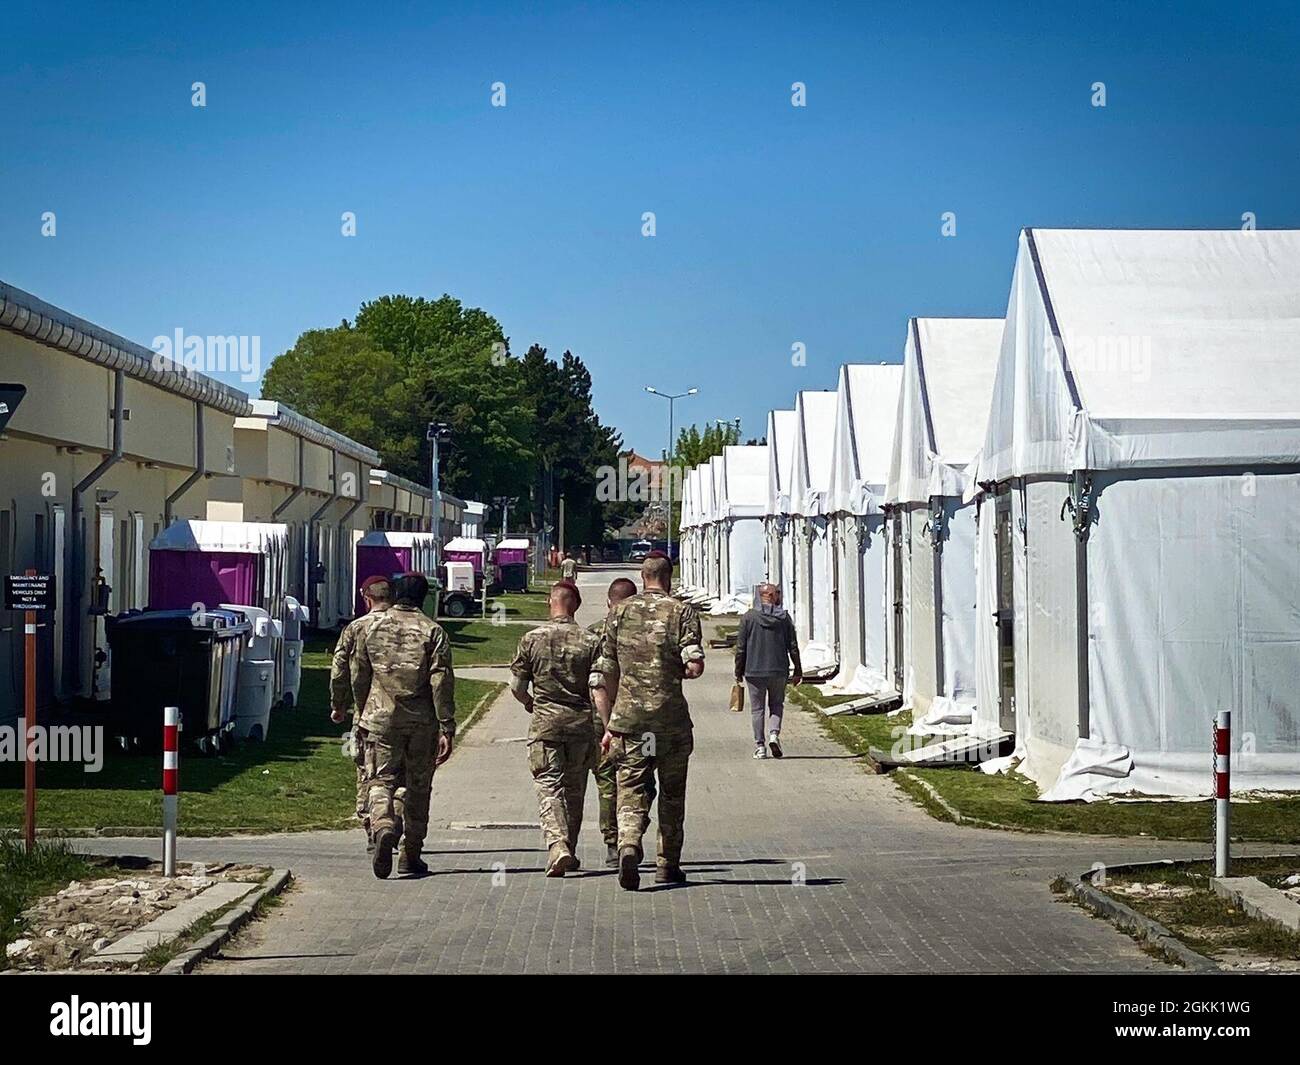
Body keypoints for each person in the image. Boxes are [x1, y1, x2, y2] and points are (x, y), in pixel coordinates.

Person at [591, 554, 704, 891]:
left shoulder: (619, 612)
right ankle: (667, 864)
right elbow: (694, 665)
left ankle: (628, 844)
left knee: (631, 789)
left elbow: (604, 672)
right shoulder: (682, 612)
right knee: (672, 795)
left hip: (629, 722)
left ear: (643, 576)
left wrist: (608, 722)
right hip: (669, 722)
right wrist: (680, 668)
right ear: (668, 577)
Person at [352, 572, 456, 879]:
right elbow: (441, 681)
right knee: (417, 787)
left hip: (380, 719)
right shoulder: (432, 631)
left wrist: (362, 710)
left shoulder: (372, 629)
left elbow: (359, 674)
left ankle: (382, 825)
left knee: (380, 780)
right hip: (421, 722)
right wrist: (446, 724)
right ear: (424, 598)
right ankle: (411, 853)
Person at [509, 579, 598, 877]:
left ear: (550, 602)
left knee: (549, 786)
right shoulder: (590, 641)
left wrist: (529, 702)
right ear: (576, 606)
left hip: (545, 725)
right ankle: (568, 847)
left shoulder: (531, 639)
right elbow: (599, 685)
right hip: (580, 726)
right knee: (574, 790)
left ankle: (557, 846)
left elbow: (517, 686)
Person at [329, 575, 396, 849]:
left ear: (366, 598)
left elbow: (339, 670)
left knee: (366, 772)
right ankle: (395, 822)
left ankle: (372, 826)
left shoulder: (355, 629)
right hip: (405, 713)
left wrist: (338, 705)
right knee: (397, 773)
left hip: (366, 712)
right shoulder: (405, 626)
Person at [586, 576, 638, 867]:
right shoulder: (640, 633)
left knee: (606, 780)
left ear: (608, 602)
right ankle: (632, 836)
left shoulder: (593, 633)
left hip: (600, 718)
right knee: (637, 779)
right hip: (638, 719)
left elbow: (592, 681)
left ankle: (612, 842)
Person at [734, 582, 802, 759]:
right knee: (776, 704)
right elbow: (793, 646)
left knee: (757, 710)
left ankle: (760, 746)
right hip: (779, 669)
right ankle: (774, 734)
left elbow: (741, 647)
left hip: (754, 670)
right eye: (777, 593)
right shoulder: (784, 618)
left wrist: (738, 671)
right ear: (772, 596)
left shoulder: (748, 618)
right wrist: (798, 670)